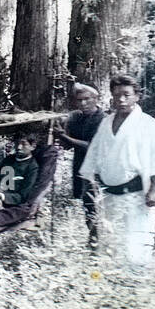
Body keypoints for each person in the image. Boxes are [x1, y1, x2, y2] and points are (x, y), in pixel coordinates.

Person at [78, 74, 155, 267]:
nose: (121, 100)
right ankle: (114, 280)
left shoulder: (149, 124)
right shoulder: (106, 123)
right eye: (116, 95)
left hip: (137, 193)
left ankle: (138, 279)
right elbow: (96, 154)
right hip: (109, 192)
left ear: (137, 96)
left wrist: (153, 191)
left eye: (126, 94)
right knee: (112, 239)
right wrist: (92, 183)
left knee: (136, 242)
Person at [56, 82, 105, 247]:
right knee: (87, 203)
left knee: (99, 203)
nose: (83, 103)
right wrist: (59, 137)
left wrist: (65, 138)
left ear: (96, 98)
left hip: (100, 168)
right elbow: (69, 144)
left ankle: (101, 240)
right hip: (80, 166)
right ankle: (93, 240)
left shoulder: (102, 119)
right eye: (79, 100)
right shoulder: (76, 117)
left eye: (87, 99)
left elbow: (92, 146)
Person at [0, 134, 40, 206]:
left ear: (33, 146)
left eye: (24, 144)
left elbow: (23, 196)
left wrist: (1, 196)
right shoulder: (9, 160)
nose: (19, 147)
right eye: (17, 143)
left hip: (10, 203)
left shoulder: (32, 167)